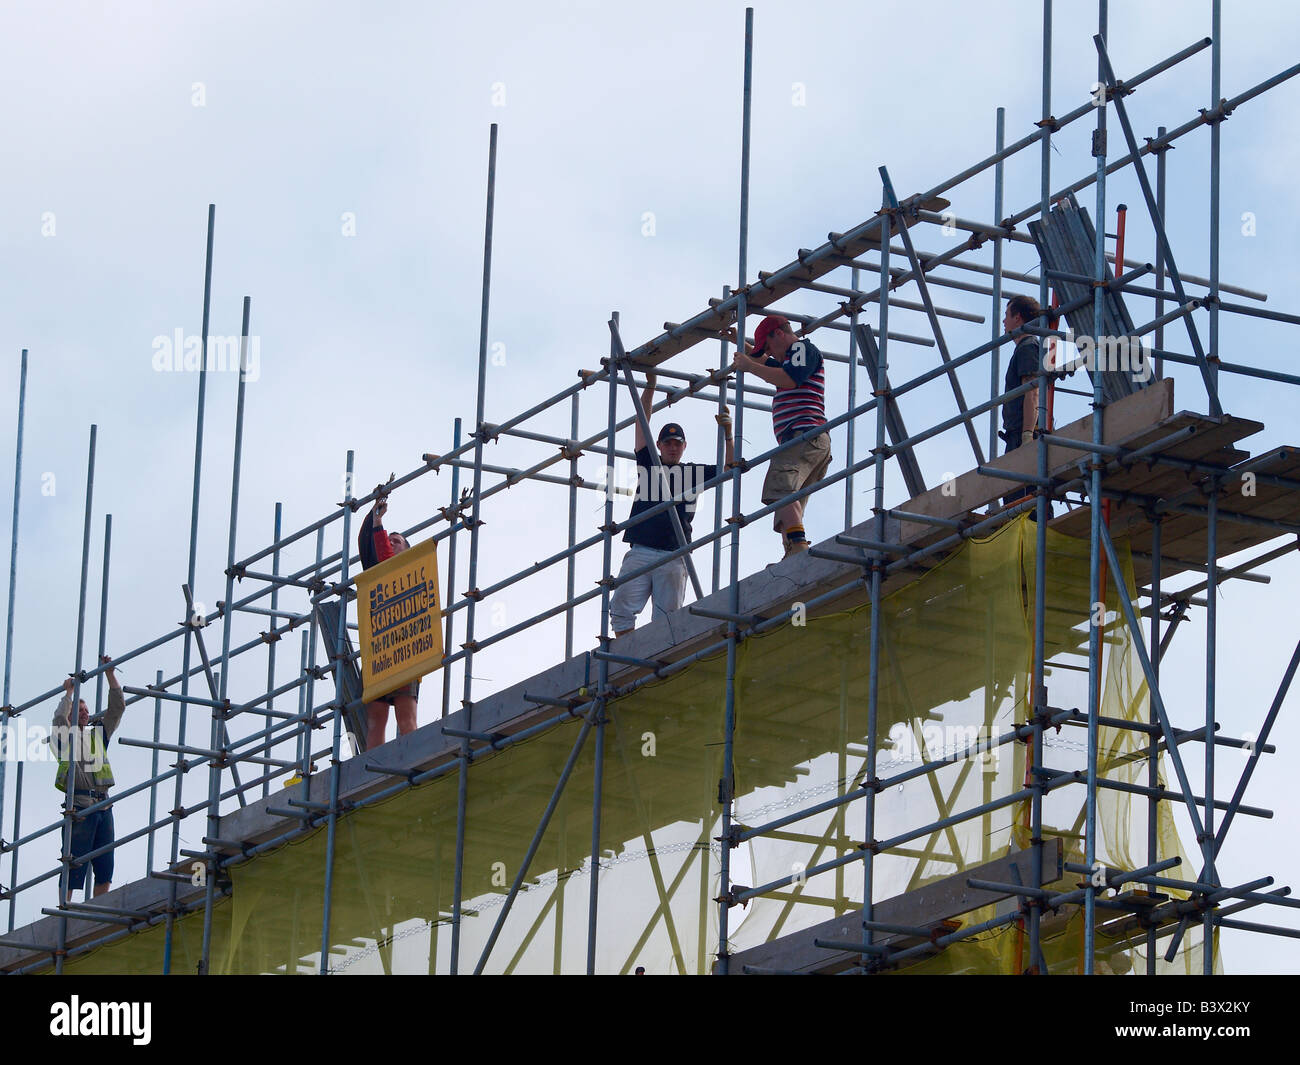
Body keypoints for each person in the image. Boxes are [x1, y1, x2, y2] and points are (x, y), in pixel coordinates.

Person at [609, 371, 734, 637]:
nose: (673, 448)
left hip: (673, 553)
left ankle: (657, 665)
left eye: (677, 443)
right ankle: (629, 657)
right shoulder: (649, 464)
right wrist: (650, 386)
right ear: (659, 445)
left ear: (684, 446)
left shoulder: (692, 473)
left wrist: (728, 435)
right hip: (641, 549)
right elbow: (641, 422)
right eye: (668, 443)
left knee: (668, 620)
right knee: (620, 608)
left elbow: (730, 468)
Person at [732, 314, 831, 559]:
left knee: (781, 488)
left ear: (778, 334)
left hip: (804, 435)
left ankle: (798, 546)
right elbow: (770, 366)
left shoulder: (800, 347)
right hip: (806, 439)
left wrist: (750, 366)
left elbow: (787, 379)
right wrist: (739, 343)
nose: (770, 352)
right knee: (786, 503)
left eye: (768, 345)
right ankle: (792, 552)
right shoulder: (788, 358)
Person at [50, 654, 126, 903]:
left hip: (103, 804)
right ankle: (65, 910)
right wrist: (68, 695)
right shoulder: (64, 739)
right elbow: (59, 720)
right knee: (73, 863)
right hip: (80, 806)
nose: (84, 714)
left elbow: (117, 709)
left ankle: (98, 910)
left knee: (105, 867)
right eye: (79, 711)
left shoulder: (97, 736)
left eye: (85, 710)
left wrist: (110, 675)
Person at [358, 497, 418, 747]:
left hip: (405, 648)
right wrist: (374, 516)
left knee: (406, 719)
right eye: (389, 539)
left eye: (398, 541)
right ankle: (376, 772)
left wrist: (379, 522)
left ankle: (414, 761)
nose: (392, 543)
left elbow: (385, 556)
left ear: (407, 549)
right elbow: (366, 543)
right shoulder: (376, 570)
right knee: (376, 720)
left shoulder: (412, 572)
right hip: (379, 651)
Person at [999, 295, 1052, 517]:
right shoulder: (1028, 347)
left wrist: (1027, 435)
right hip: (1018, 432)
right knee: (1017, 496)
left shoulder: (1028, 347)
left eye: (1006, 315)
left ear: (1018, 318)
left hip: (1022, 432)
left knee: (1023, 497)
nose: (1003, 321)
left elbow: (1032, 392)